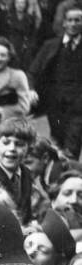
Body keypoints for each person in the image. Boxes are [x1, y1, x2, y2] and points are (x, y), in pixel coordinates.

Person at [28, 5, 82, 160]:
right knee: (56, 146)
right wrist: (31, 89)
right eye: (70, 20)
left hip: (78, 108)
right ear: (64, 23)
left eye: (77, 20)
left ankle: (71, 180)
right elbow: (33, 71)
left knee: (72, 147)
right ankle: (56, 181)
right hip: (55, 105)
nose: (73, 24)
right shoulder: (51, 45)